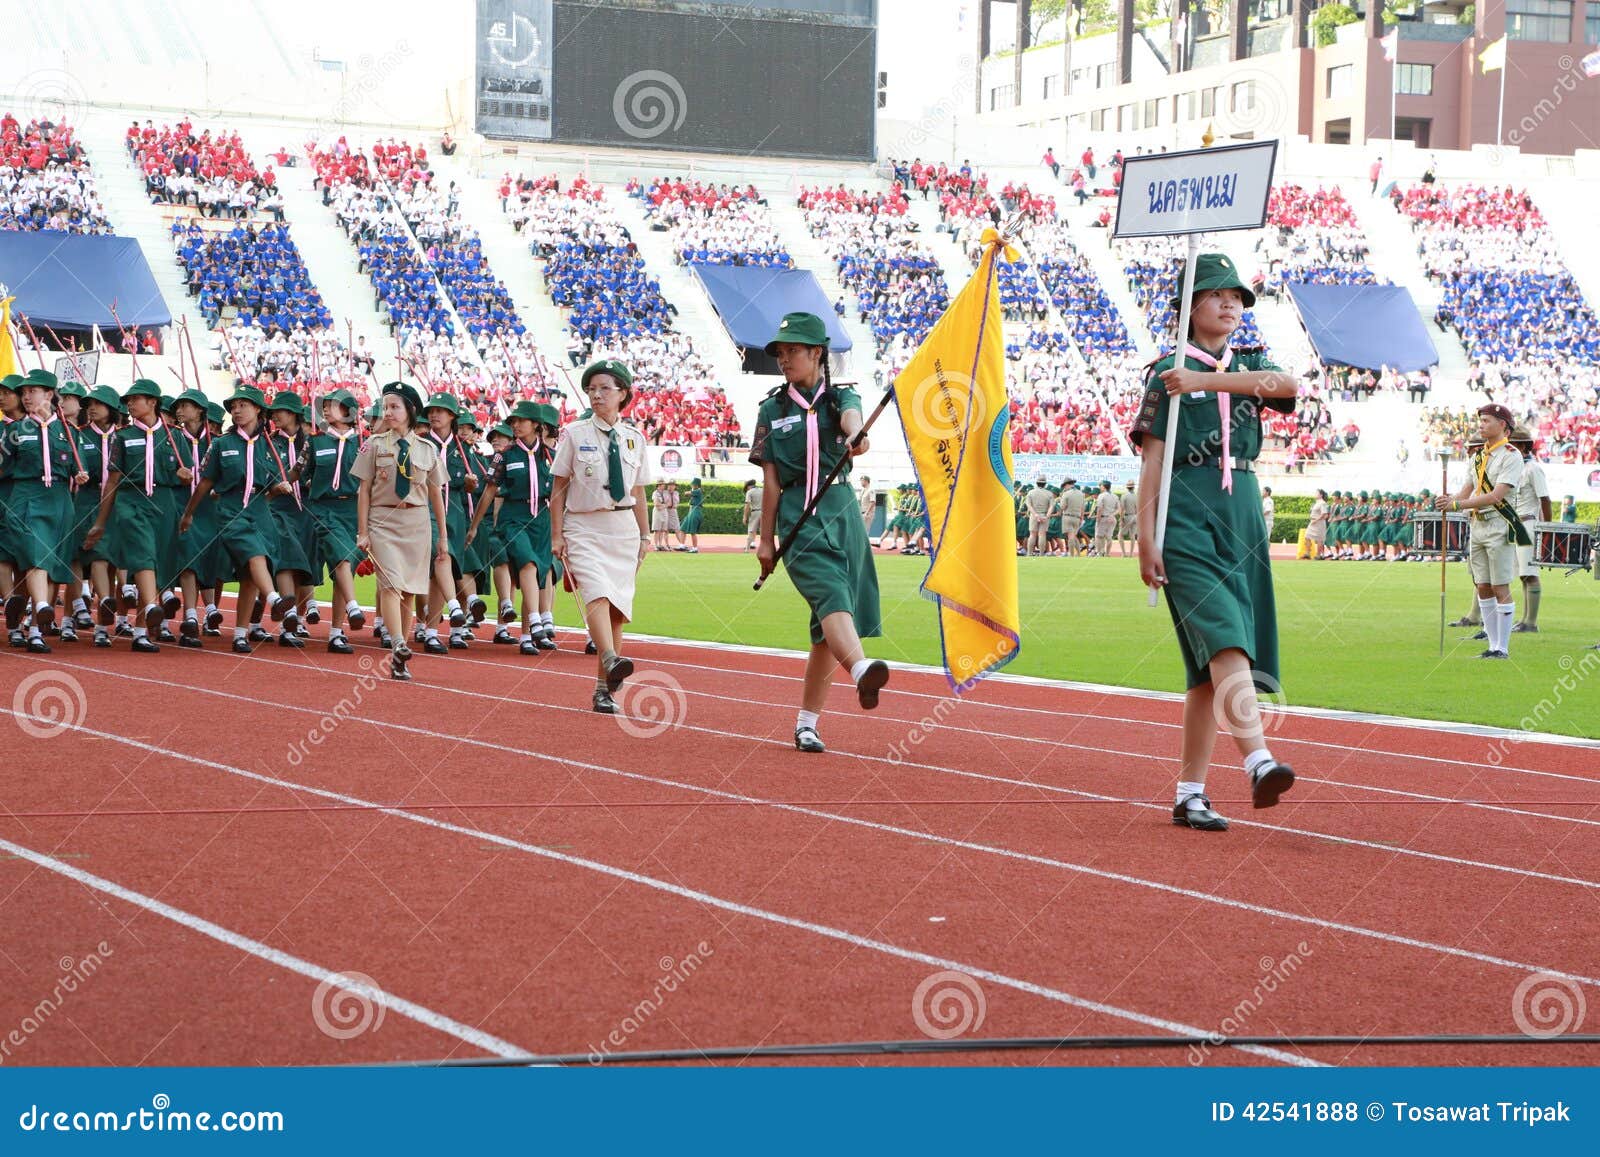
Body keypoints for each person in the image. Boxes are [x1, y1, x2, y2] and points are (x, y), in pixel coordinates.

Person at [1128, 252, 1298, 832]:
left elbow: (1286, 386)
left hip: (1244, 510)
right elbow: (1152, 462)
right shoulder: (1164, 372)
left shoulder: (1248, 363)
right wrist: (1145, 535)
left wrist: (1206, 380)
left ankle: (1190, 793)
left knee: (1206, 673)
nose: (1230, 303)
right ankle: (1258, 760)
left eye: (1238, 297)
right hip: (1185, 515)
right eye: (1216, 293)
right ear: (1187, 306)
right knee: (1226, 636)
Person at [750, 312, 887, 752]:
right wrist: (765, 538)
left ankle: (807, 723)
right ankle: (862, 669)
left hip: (842, 512)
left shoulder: (841, 398)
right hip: (797, 517)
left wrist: (856, 437)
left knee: (824, 631)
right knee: (831, 594)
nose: (784, 359)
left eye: (792, 351)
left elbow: (854, 423)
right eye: (780, 352)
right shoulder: (771, 409)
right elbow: (771, 480)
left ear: (817, 353)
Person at [549, 359, 653, 713]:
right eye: (591, 389)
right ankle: (609, 657)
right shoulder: (575, 434)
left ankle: (603, 690)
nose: (596, 395)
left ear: (623, 394)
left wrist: (645, 536)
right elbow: (558, 488)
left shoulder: (634, 439)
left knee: (617, 610)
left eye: (604, 388)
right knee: (596, 591)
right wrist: (557, 535)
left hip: (622, 529)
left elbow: (638, 493)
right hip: (583, 525)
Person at [179, 385, 296, 654]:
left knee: (250, 575)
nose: (237, 410)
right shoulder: (222, 443)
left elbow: (275, 481)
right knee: (254, 554)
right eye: (234, 406)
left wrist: (278, 487)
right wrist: (189, 512)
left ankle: (241, 634)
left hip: (260, 509)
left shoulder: (272, 444)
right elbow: (206, 482)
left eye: (243, 404)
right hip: (231, 509)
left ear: (258, 409)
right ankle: (275, 598)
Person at [352, 381, 449, 679]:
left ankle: (400, 654)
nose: (389, 412)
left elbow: (436, 495)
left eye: (395, 406)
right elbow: (364, 490)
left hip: (417, 523)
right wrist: (362, 531)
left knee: (409, 590)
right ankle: (396, 642)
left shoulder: (427, 449)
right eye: (386, 406)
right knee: (391, 584)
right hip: (383, 522)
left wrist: (443, 537)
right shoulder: (374, 445)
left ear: (410, 411)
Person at [82, 379, 187, 653]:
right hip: (131, 501)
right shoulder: (123, 436)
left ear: (153, 402)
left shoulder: (174, 435)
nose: (129, 403)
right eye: (128, 400)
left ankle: (141, 631)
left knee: (157, 560)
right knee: (143, 553)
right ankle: (152, 605)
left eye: (136, 399)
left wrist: (185, 476)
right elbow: (112, 481)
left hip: (163, 503)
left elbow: (187, 472)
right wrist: (101, 521)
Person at [0, 369, 85, 653]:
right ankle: (43, 605)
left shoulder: (68, 432)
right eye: (23, 392)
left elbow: (79, 465)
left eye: (32, 391)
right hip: (26, 496)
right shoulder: (14, 430)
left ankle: (34, 628)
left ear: (49, 394)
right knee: (36, 555)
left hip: (60, 499)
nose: (25, 397)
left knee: (49, 568)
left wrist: (81, 474)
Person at [467, 399, 560, 655]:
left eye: (522, 421)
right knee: (527, 563)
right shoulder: (505, 454)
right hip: (513, 516)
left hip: (540, 518)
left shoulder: (552, 455)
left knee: (538, 570)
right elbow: (489, 491)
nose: (516, 425)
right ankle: (537, 619)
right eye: (514, 421)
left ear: (535, 425)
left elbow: (561, 491)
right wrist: (475, 525)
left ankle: (529, 635)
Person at [1434, 403, 1525, 659]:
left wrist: (1458, 504)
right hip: (1478, 525)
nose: (1481, 425)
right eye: (1481, 421)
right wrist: (1448, 501)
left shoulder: (1511, 455)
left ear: (1503, 425)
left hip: (1499, 524)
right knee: (1482, 585)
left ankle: (1502, 647)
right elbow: (1467, 489)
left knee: (1500, 586)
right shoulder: (1477, 457)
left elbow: (1496, 496)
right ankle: (1492, 644)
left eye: (1487, 421)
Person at [302, 389, 368, 653]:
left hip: (354, 509)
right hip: (323, 509)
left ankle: (336, 632)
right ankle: (353, 607)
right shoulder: (315, 441)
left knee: (346, 569)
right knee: (341, 556)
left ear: (349, 412)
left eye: (333, 405)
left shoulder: (365, 443)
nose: (326, 409)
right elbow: (299, 470)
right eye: (325, 406)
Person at [1508, 427, 1550, 633]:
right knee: (1523, 575)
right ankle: (1525, 619)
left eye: (1513, 444)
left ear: (1523, 446)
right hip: (1516, 525)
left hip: (1527, 524)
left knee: (1530, 573)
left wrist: (1547, 530)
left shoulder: (1533, 468)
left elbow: (1545, 499)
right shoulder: (1515, 467)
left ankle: (1531, 622)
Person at [1024, 476, 1052, 557]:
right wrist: (1047, 516)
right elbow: (1051, 506)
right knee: (1042, 534)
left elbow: (1028, 505)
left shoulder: (1031, 492)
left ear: (1037, 483)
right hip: (1044, 515)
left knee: (1032, 534)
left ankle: (1029, 553)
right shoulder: (1049, 493)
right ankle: (1041, 554)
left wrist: (1035, 514)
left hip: (1033, 515)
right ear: (1045, 484)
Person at [680, 477, 704, 553]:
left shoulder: (698, 491)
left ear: (697, 485)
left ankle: (695, 548)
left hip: (695, 511)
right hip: (691, 511)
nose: (692, 485)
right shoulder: (696, 490)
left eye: (694, 484)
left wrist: (689, 491)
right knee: (683, 528)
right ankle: (682, 545)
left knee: (692, 531)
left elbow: (686, 493)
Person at [1093, 481, 1115, 558]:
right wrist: (1112, 515)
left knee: (1099, 536)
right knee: (1109, 537)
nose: (1100, 487)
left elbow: (1099, 509)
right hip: (1111, 518)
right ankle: (1107, 554)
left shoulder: (1101, 496)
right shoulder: (1114, 496)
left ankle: (1100, 552)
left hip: (1103, 518)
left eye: (1101, 486)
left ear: (1104, 487)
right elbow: (1119, 509)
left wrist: (1098, 520)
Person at [1118, 480, 1138, 557]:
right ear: (1133, 487)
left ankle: (1124, 553)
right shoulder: (1137, 496)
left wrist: (1121, 519)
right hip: (1135, 516)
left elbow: (1122, 509)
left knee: (1120, 535)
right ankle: (1131, 553)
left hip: (1128, 516)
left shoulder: (1124, 496)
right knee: (1132, 535)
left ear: (1127, 487)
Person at [1307, 488, 1329, 559]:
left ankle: (1318, 554)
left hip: (1319, 523)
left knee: (1319, 539)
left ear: (1321, 495)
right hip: (1313, 522)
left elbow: (1324, 514)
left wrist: (1316, 520)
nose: (1315, 494)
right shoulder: (1316, 503)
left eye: (1317, 493)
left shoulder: (1322, 503)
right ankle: (1308, 553)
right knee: (1307, 536)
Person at [741, 478, 762, 551]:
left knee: (751, 530)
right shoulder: (762, 490)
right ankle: (764, 548)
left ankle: (747, 549)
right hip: (764, 512)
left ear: (748, 486)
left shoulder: (749, 492)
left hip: (755, 512)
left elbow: (747, 506)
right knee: (763, 531)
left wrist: (745, 517)